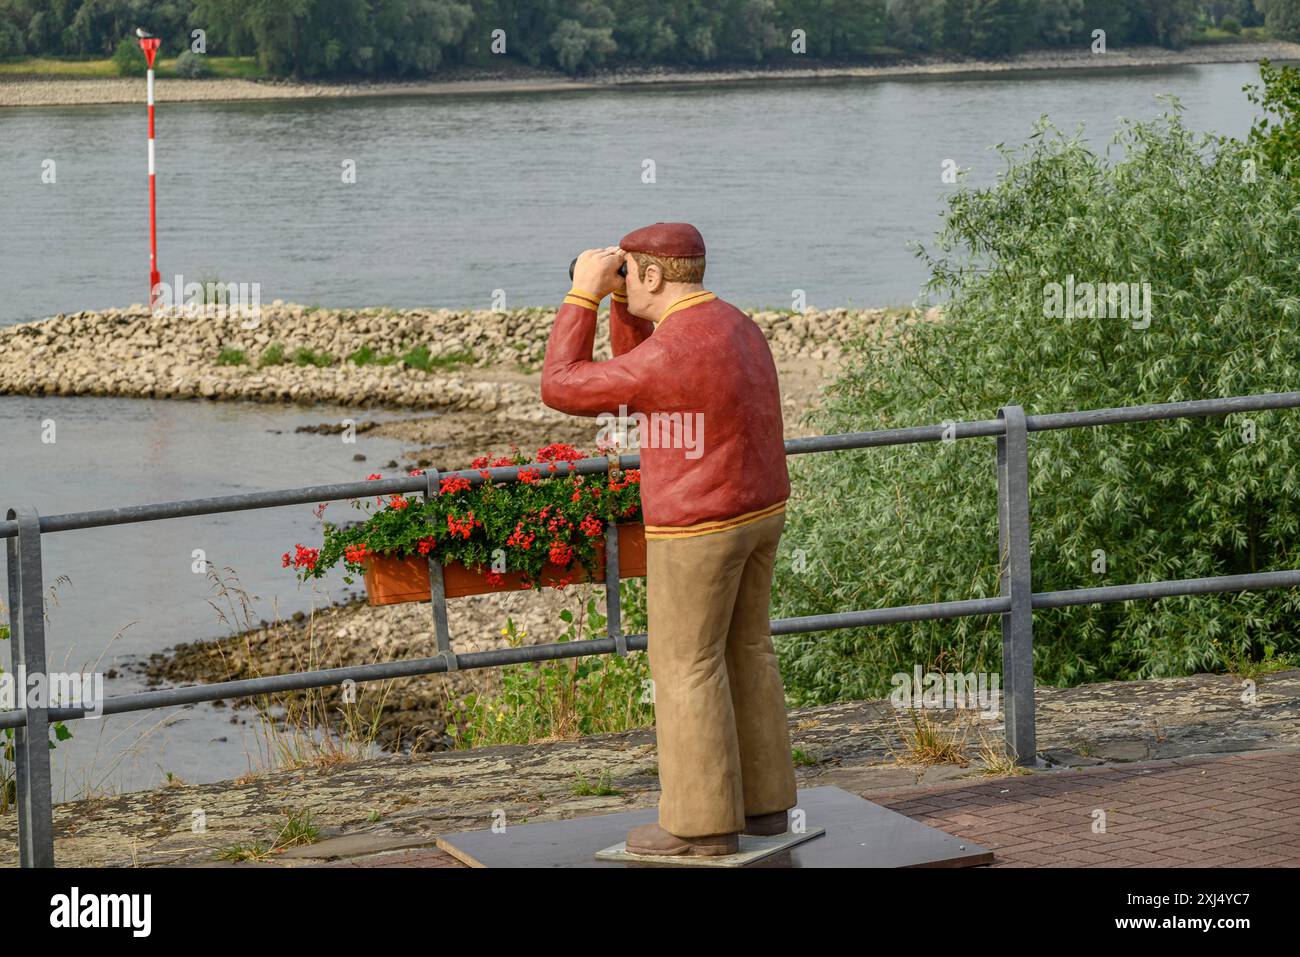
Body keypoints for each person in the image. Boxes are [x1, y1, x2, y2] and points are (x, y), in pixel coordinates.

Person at [541, 222, 797, 857]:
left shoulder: (669, 352)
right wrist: (620, 303)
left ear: (651, 277)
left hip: (698, 526)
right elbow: (635, 371)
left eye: (629, 272)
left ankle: (699, 826)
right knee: (748, 651)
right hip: (761, 509)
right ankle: (766, 807)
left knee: (685, 667)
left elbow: (562, 384)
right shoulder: (736, 324)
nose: (622, 280)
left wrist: (582, 297)